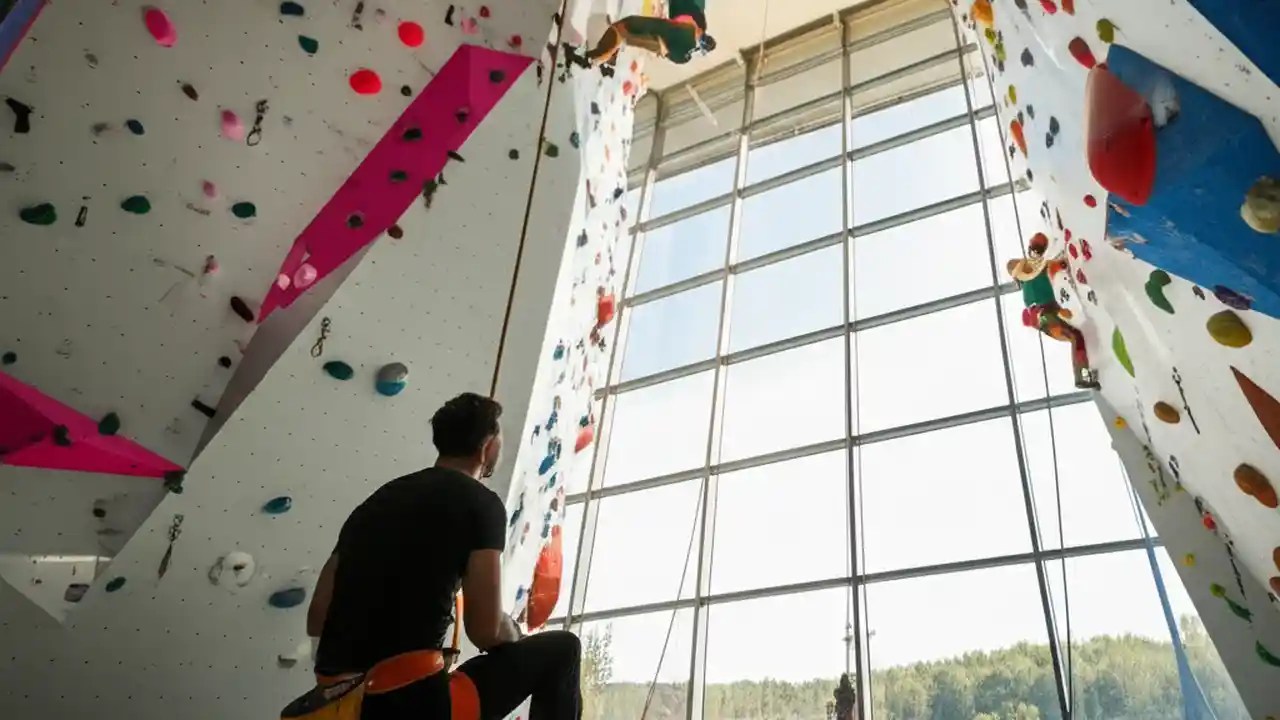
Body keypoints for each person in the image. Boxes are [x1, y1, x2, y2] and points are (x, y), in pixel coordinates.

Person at [286, 393, 582, 720]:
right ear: (487, 446)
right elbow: (485, 630)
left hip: (336, 702)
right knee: (563, 650)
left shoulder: (376, 503)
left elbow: (318, 616)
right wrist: (513, 631)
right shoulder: (481, 505)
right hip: (406, 703)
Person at [1007, 234, 1100, 390]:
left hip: (1044, 319)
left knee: (1075, 336)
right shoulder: (1036, 274)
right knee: (1075, 336)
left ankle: (1083, 374)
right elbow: (1056, 267)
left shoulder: (1027, 284)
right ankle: (1082, 376)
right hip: (1046, 316)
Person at [564, 14, 716, 73]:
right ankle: (593, 59)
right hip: (642, 31)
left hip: (640, 30)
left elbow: (674, 24)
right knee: (618, 35)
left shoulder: (688, 27)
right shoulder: (686, 47)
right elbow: (669, 53)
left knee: (618, 34)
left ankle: (590, 60)